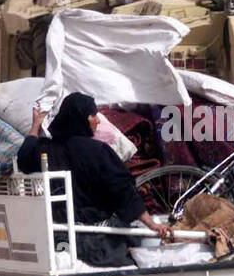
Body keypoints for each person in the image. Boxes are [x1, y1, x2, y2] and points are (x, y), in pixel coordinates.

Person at [17, 93, 172, 264]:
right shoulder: (98, 152)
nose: (97, 121)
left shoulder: (44, 150)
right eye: (93, 115)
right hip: (97, 243)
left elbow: (23, 157)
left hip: (60, 239)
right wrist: (151, 224)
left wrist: (35, 126)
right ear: (81, 119)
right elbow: (123, 191)